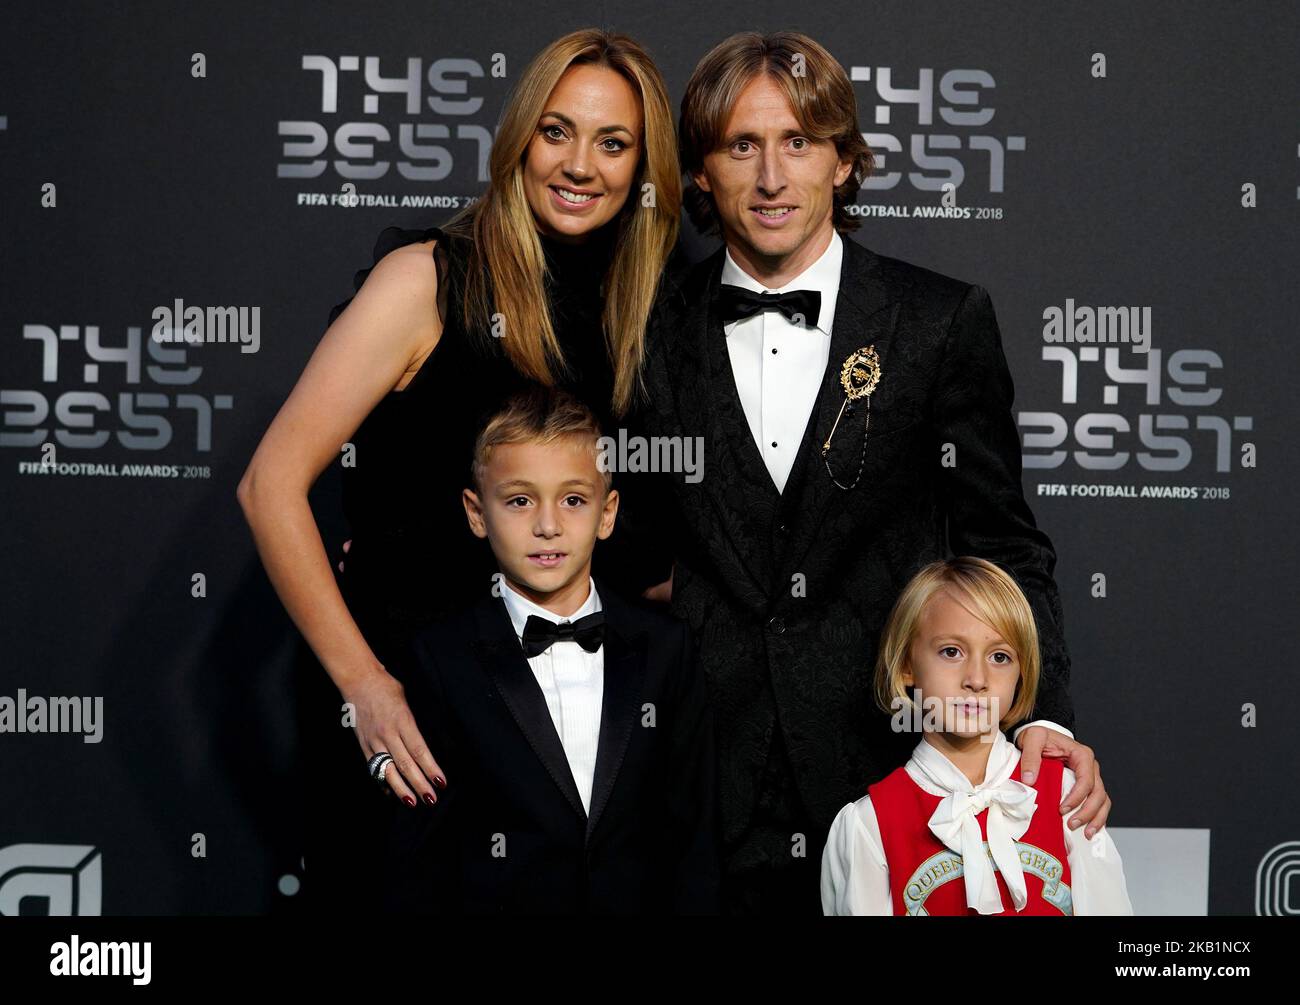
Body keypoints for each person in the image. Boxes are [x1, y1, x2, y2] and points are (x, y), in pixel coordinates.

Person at [629, 30, 1112, 914]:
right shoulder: (644, 329)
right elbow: (607, 527)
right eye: (742, 145)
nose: (772, 177)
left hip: (890, 791)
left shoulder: (938, 321)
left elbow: (1000, 536)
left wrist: (1046, 716)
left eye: (800, 143)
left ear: (845, 162)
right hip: (694, 783)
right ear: (700, 171)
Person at [236, 28, 681, 913]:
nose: (580, 164)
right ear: (518, 139)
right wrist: (363, 684)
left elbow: (641, 551)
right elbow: (271, 484)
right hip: (415, 722)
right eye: (556, 131)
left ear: (644, 171)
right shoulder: (425, 281)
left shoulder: (641, 319)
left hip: (554, 739)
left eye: (613, 142)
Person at [381, 386, 719, 914]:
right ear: (476, 512)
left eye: (573, 500)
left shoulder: (666, 649)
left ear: (607, 514)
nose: (547, 525)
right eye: (519, 500)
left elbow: (693, 840)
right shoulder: (440, 661)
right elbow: (423, 861)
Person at [820, 557, 1133, 915]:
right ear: (907, 665)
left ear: (1022, 674)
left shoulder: (1066, 796)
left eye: (1000, 657)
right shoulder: (868, 824)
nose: (977, 678)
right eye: (951, 652)